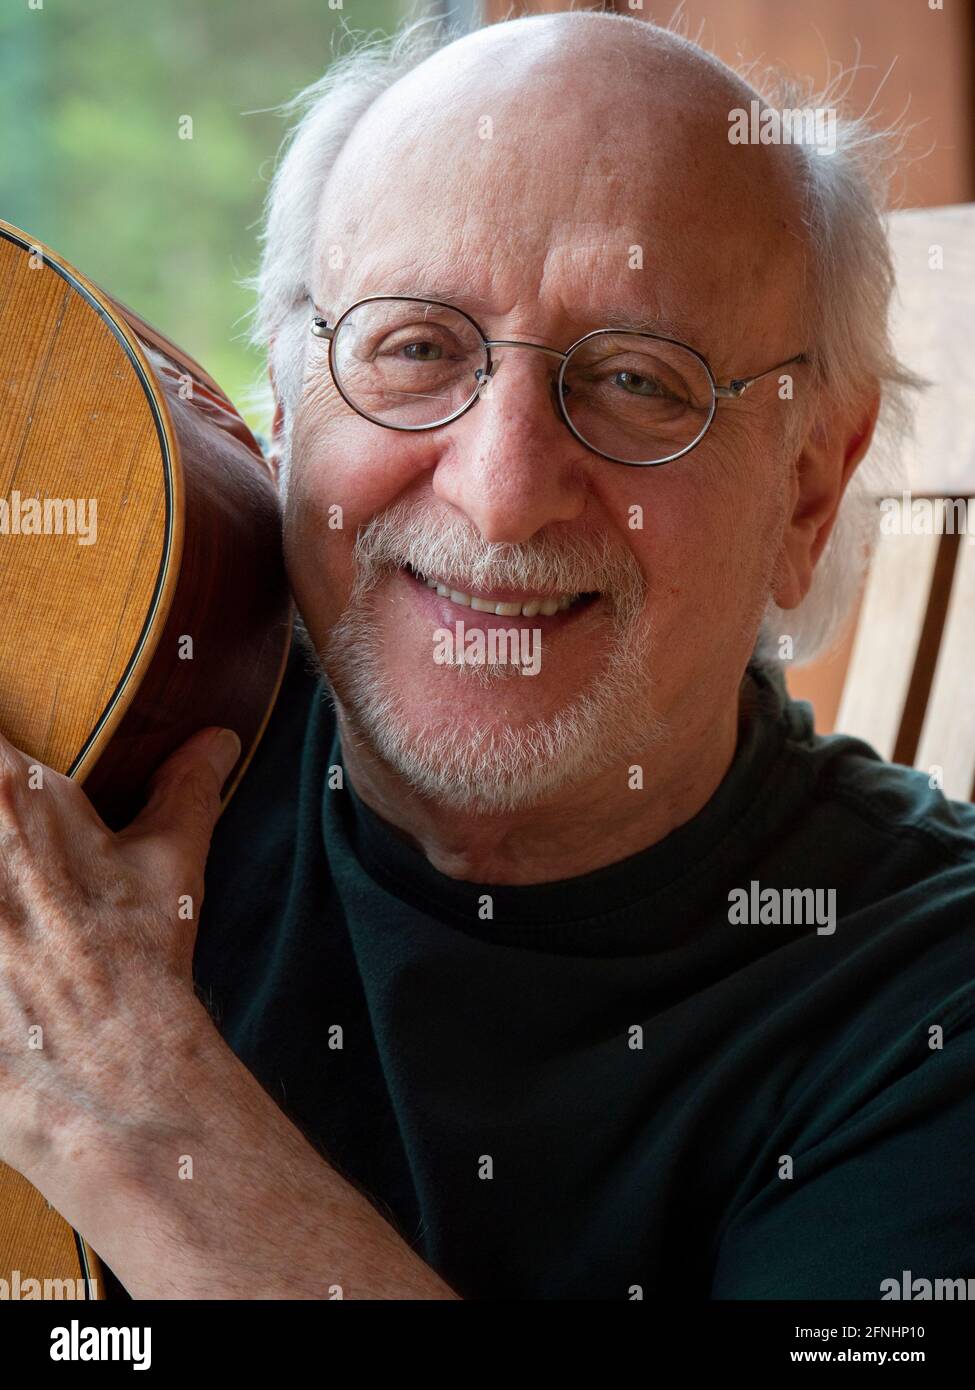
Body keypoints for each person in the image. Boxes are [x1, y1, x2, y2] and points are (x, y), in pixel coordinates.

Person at [1, 9, 972, 1300]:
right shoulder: (107, 705)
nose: (504, 490)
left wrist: (130, 1102)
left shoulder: (930, 1010)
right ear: (284, 408)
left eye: (637, 378)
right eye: (414, 347)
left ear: (804, 493)